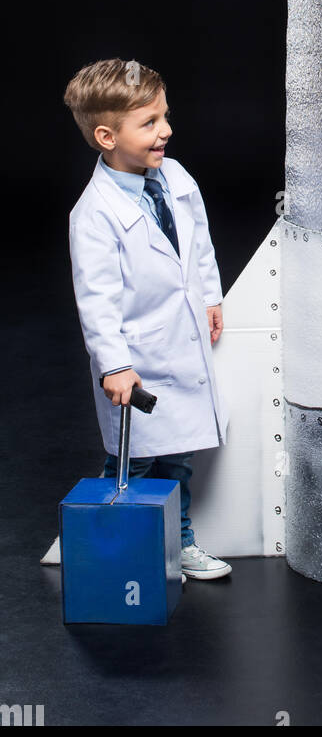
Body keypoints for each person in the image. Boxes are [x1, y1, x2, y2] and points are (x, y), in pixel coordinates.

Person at [63, 58, 231, 581]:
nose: (167, 131)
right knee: (133, 464)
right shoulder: (92, 214)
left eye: (165, 117)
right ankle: (117, 552)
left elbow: (197, 244)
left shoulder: (174, 177)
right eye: (151, 123)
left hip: (181, 346)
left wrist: (210, 296)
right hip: (139, 359)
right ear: (106, 136)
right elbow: (97, 300)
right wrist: (113, 365)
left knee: (178, 457)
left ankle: (179, 544)